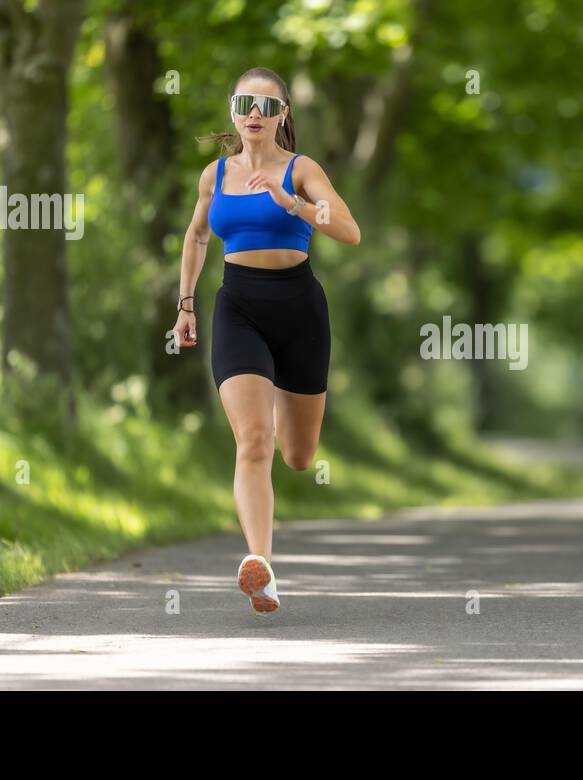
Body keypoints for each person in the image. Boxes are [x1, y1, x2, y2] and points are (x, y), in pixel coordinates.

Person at [171, 67, 361, 613]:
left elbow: (349, 230)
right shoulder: (215, 175)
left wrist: (293, 203)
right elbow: (198, 234)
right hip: (239, 309)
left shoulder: (302, 171)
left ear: (283, 116)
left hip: (300, 309)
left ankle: (282, 397)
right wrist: (185, 305)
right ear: (233, 110)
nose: (255, 112)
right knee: (254, 442)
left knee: (298, 456)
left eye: (267, 105)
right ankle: (262, 568)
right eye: (245, 102)